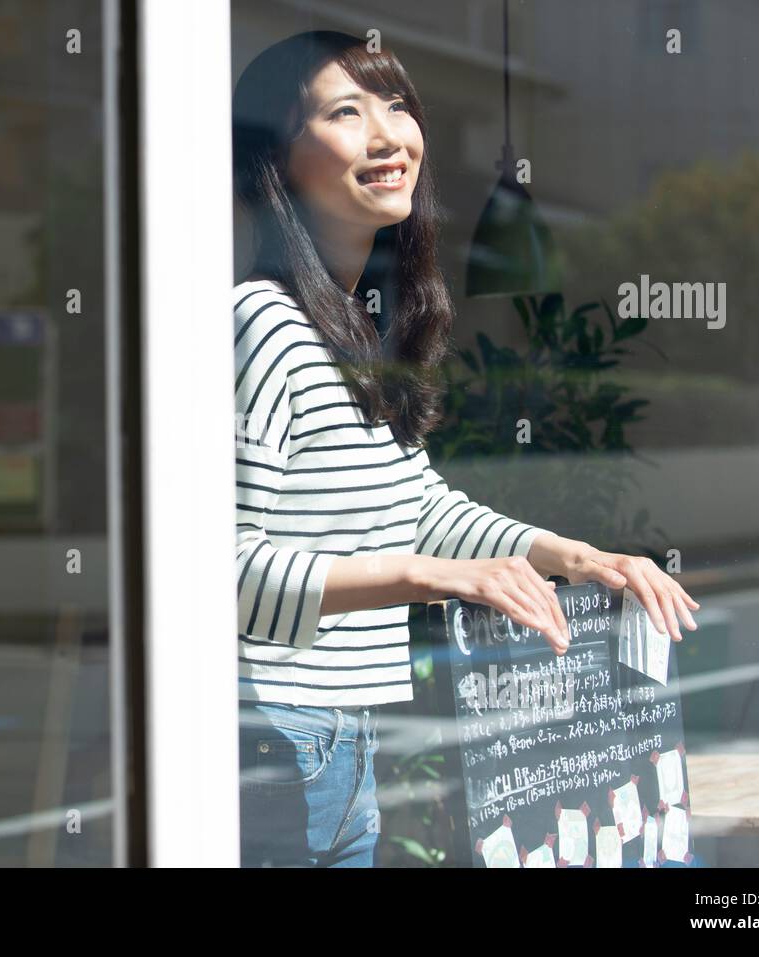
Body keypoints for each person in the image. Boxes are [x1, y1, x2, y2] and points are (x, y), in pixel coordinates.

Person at [231, 30, 698, 867]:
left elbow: (419, 506)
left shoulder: (350, 326)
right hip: (269, 743)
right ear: (276, 159)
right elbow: (220, 571)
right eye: (346, 112)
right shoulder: (263, 325)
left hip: (335, 737)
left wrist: (572, 555)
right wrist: (433, 575)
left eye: (397, 107)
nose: (390, 135)